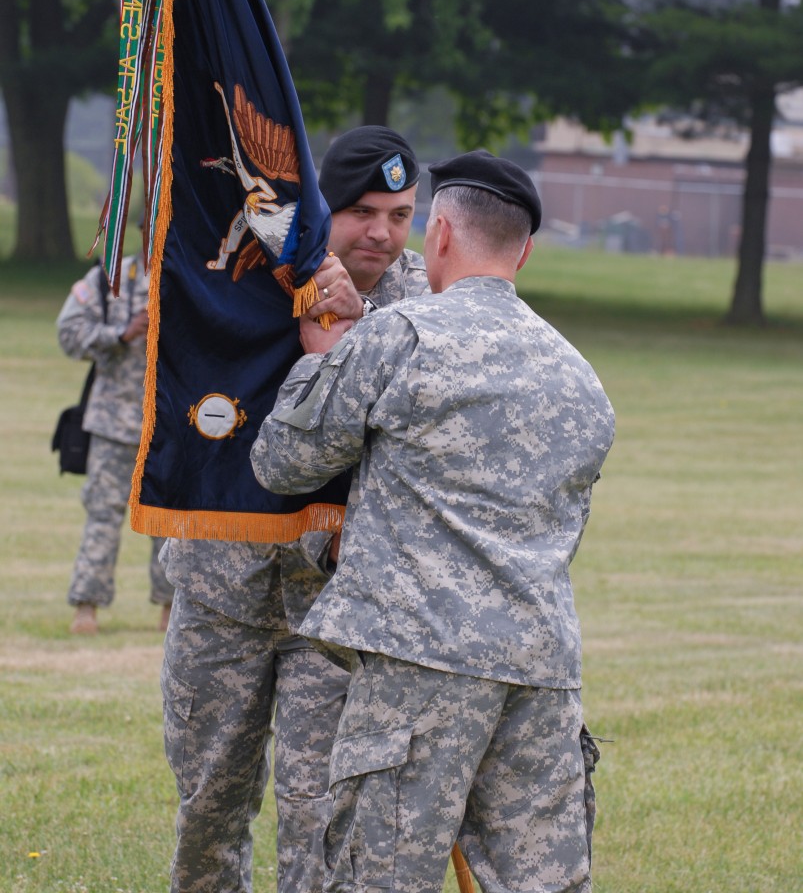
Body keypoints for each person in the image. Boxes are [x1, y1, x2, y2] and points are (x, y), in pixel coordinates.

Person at [252, 149, 616, 893]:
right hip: (540, 670)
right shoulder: (579, 374)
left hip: (417, 666)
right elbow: (564, 530)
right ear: (525, 250)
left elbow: (281, 462)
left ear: (439, 234)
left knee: (379, 877)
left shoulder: (403, 337)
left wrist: (325, 360)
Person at [160, 126, 429, 893]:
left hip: (336, 611)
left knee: (317, 821)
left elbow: (427, 403)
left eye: (401, 214)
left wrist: (357, 330)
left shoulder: (420, 306)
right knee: (209, 803)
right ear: (318, 209)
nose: (381, 231)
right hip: (223, 591)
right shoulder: (244, 280)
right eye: (362, 211)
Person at [57, 251, 173, 635]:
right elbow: (68, 331)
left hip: (170, 424)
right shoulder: (111, 279)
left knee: (168, 521)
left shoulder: (191, 272)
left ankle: (172, 609)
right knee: (102, 517)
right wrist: (119, 333)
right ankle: (86, 607)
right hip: (112, 422)